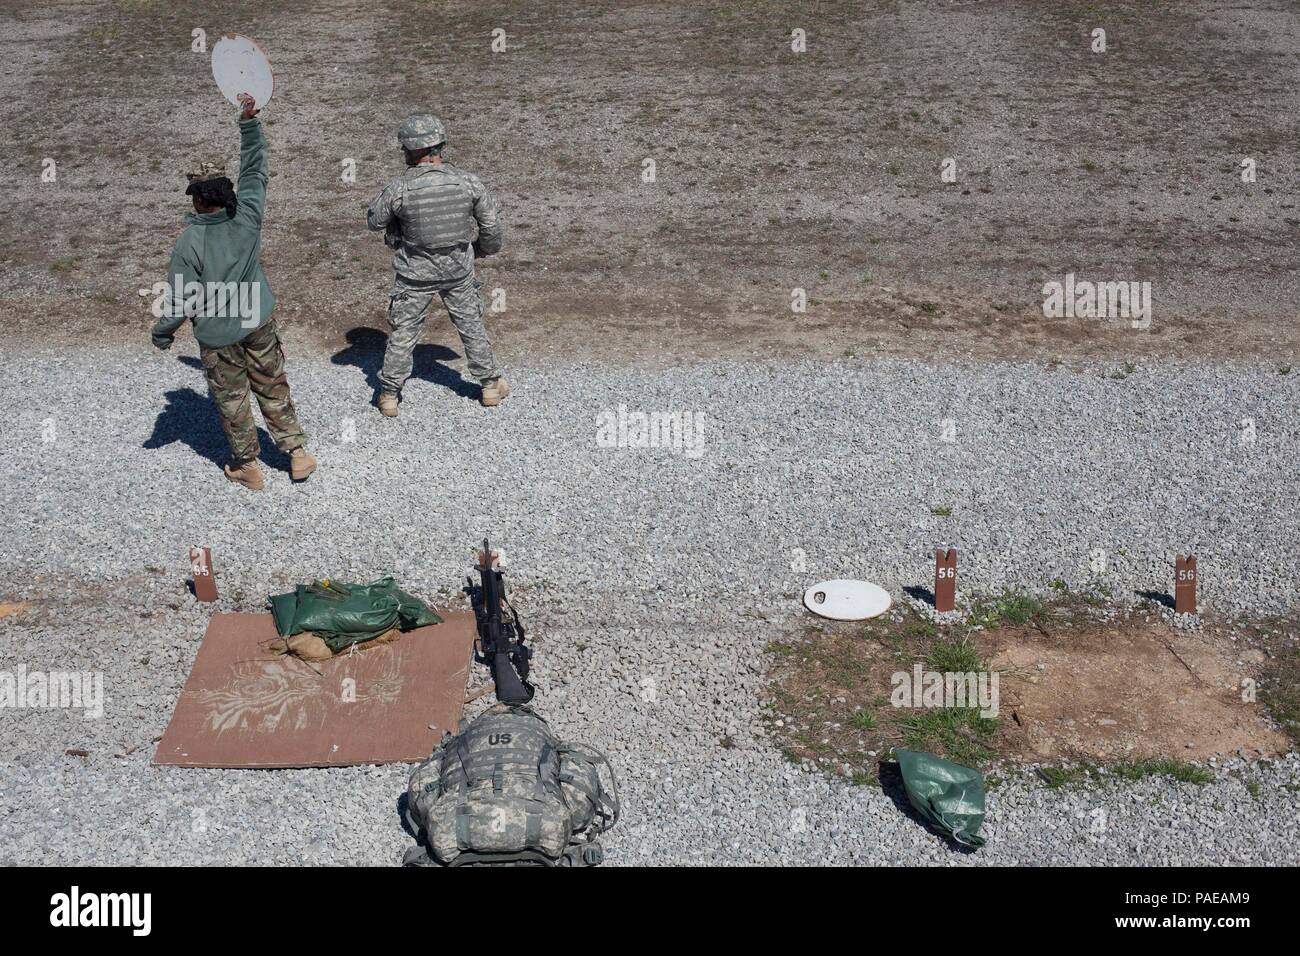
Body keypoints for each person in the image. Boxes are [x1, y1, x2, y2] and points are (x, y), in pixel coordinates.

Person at [151, 94, 316, 490]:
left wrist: (163, 332)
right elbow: (255, 170)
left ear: (195, 197)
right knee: (272, 384)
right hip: (257, 319)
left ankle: (248, 467)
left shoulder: (189, 242)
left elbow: (179, 300)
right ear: (226, 193)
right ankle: (296, 454)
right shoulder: (248, 217)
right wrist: (249, 123)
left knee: (232, 400)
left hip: (218, 334)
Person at [367, 114, 507, 415]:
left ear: (413, 150)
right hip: (458, 271)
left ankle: (390, 394)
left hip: (414, 275)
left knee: (404, 332)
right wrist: (478, 251)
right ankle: (490, 385)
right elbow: (492, 230)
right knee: (471, 326)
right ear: (439, 145)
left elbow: (374, 221)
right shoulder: (468, 181)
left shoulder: (400, 187)